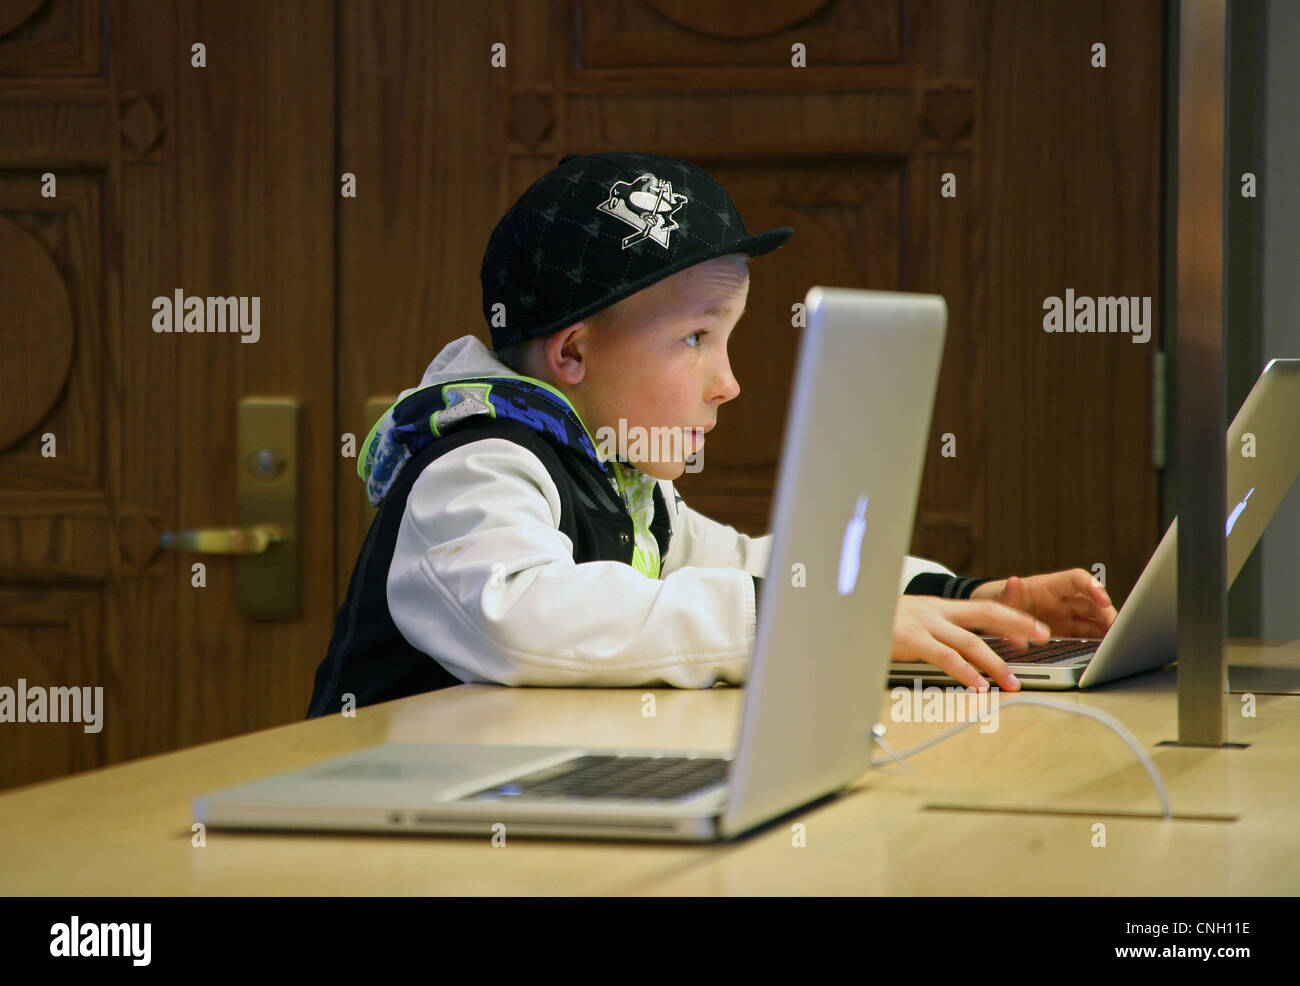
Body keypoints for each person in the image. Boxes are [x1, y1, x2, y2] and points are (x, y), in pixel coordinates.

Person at [306, 152, 1117, 719]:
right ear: (574, 351)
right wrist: (809, 619)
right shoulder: (478, 462)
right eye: (697, 338)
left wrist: (955, 600)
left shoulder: (623, 481)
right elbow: (520, 617)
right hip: (367, 837)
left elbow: (748, 566)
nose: (729, 382)